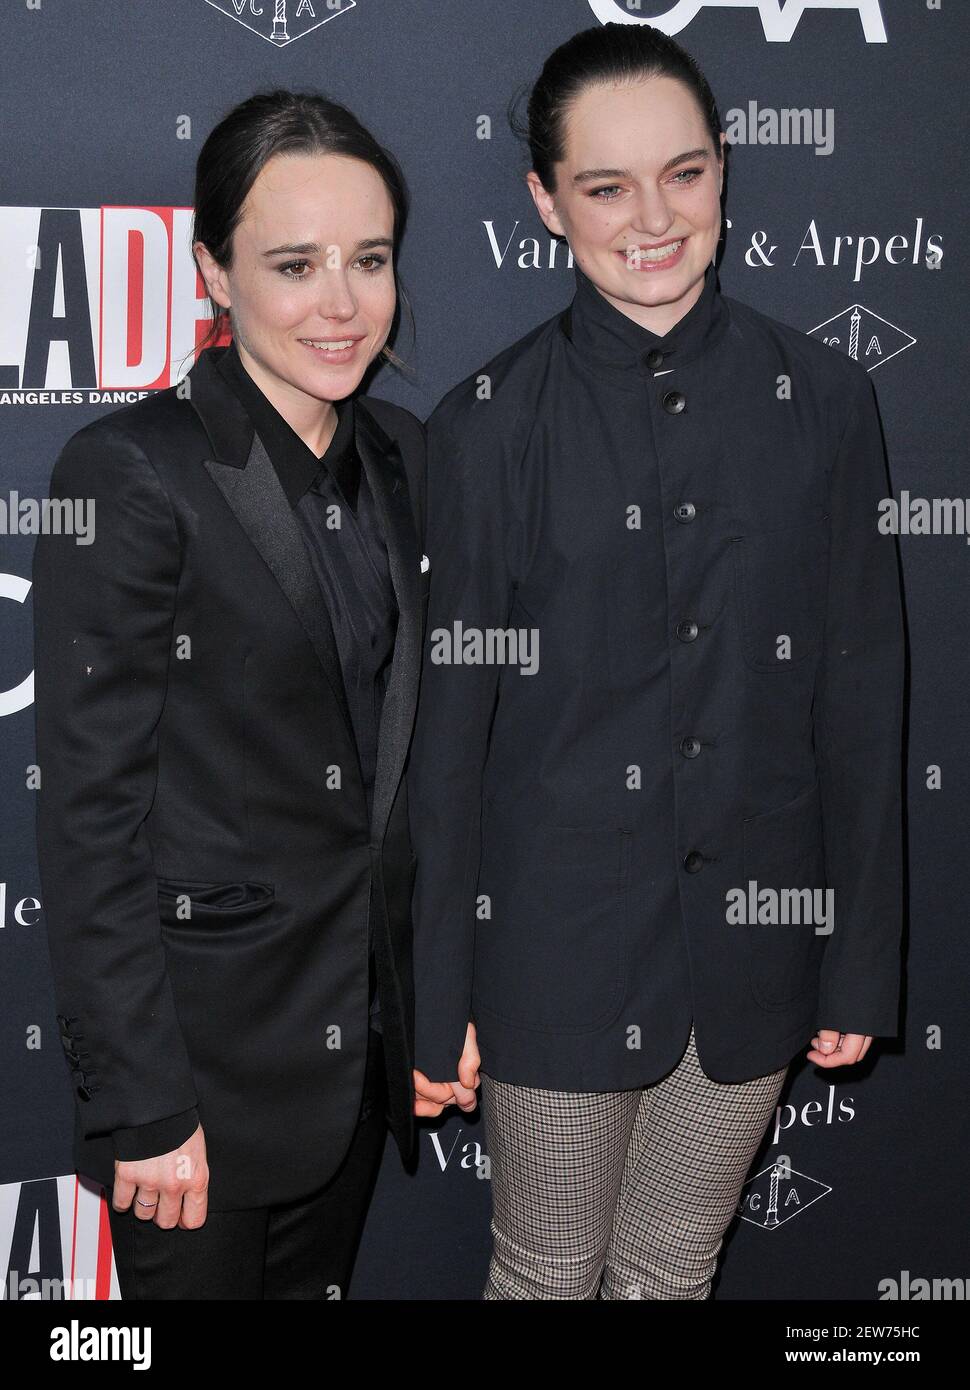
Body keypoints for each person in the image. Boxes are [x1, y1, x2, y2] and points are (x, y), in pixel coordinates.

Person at [409, 24, 905, 1300]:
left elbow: (860, 697)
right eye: (604, 185)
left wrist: (856, 957)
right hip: (549, 952)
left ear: (726, 171)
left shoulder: (829, 399)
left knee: (671, 1270)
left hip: (757, 947)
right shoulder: (482, 426)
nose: (652, 218)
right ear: (544, 201)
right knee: (547, 1273)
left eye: (683, 173)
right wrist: (438, 991)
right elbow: (450, 737)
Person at [32, 89, 428, 1300]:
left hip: (356, 1058)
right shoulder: (132, 471)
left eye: (368, 260)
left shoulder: (409, 458)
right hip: (197, 1085)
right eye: (293, 264)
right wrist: (140, 1101)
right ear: (213, 271)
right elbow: (88, 818)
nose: (341, 303)